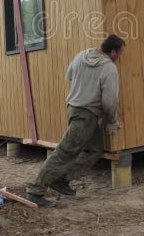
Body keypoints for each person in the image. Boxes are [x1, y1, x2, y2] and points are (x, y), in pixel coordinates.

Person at [25, 35, 125, 207]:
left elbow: (69, 75)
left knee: (94, 149)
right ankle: (35, 190)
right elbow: (110, 102)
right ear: (113, 52)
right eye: (120, 53)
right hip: (86, 116)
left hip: (74, 109)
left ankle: (61, 179)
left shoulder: (81, 55)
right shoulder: (109, 68)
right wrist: (111, 121)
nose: (121, 56)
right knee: (64, 152)